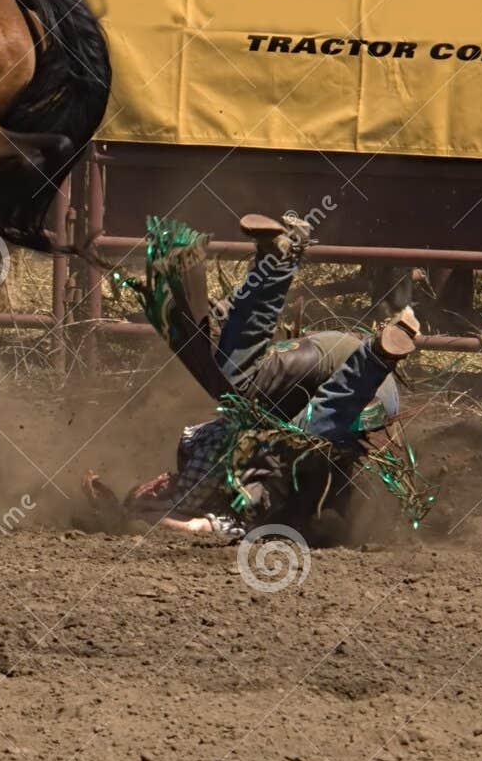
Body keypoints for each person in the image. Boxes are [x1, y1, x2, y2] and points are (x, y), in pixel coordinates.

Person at [88, 213, 431, 539]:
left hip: (328, 371)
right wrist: (150, 514)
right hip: (361, 393)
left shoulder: (205, 457)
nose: (156, 483)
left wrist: (138, 512)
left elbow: (198, 512)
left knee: (248, 395)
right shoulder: (239, 497)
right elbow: (203, 526)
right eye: (153, 491)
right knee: (292, 433)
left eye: (152, 486)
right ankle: (372, 350)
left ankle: (279, 266)